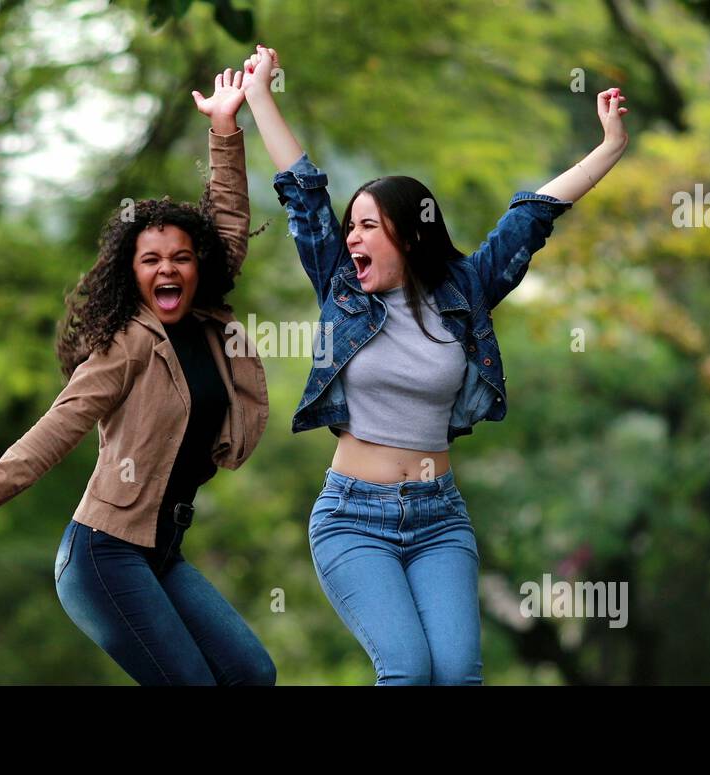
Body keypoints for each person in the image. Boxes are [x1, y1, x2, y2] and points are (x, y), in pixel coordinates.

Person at [241, 45, 629, 684]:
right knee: (407, 669)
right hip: (352, 518)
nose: (351, 239)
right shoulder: (340, 285)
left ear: (410, 235)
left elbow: (530, 217)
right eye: (351, 228)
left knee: (456, 673)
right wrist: (260, 94)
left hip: (438, 517)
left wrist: (609, 147)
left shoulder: (467, 289)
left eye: (367, 226)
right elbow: (303, 192)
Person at [0, 67, 276, 686]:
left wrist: (225, 130)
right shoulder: (127, 346)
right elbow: (58, 427)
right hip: (103, 556)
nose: (168, 268)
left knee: (251, 674)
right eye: (151, 259)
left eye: (180, 256)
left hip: (161, 550)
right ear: (134, 274)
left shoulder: (206, 321)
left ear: (198, 265)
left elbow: (227, 222)